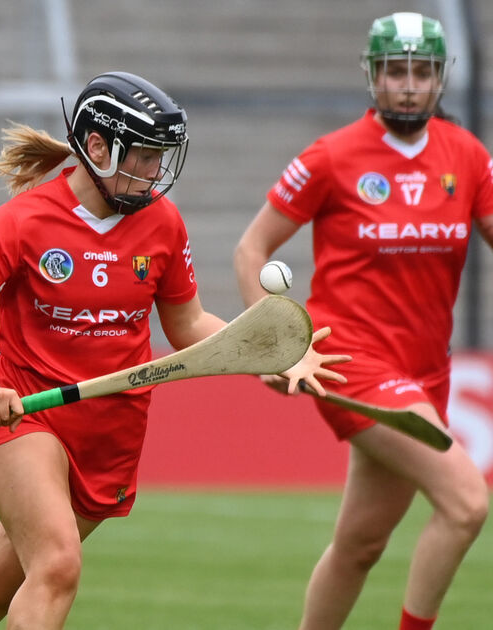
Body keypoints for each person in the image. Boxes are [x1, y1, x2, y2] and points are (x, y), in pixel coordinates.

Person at [0, 71, 347, 630]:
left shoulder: (162, 224)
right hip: (27, 419)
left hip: (111, 433)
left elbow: (189, 325)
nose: (156, 173)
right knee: (58, 567)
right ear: (99, 148)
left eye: (162, 157)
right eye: (145, 156)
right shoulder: (24, 221)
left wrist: (268, 353)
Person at [234, 12, 491, 630]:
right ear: (373, 77)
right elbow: (250, 250)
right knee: (466, 503)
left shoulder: (468, 156)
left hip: (425, 371)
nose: (408, 85)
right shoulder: (332, 157)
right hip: (348, 359)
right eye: (396, 71)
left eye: (422, 72)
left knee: (360, 545)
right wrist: (273, 348)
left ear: (440, 79)